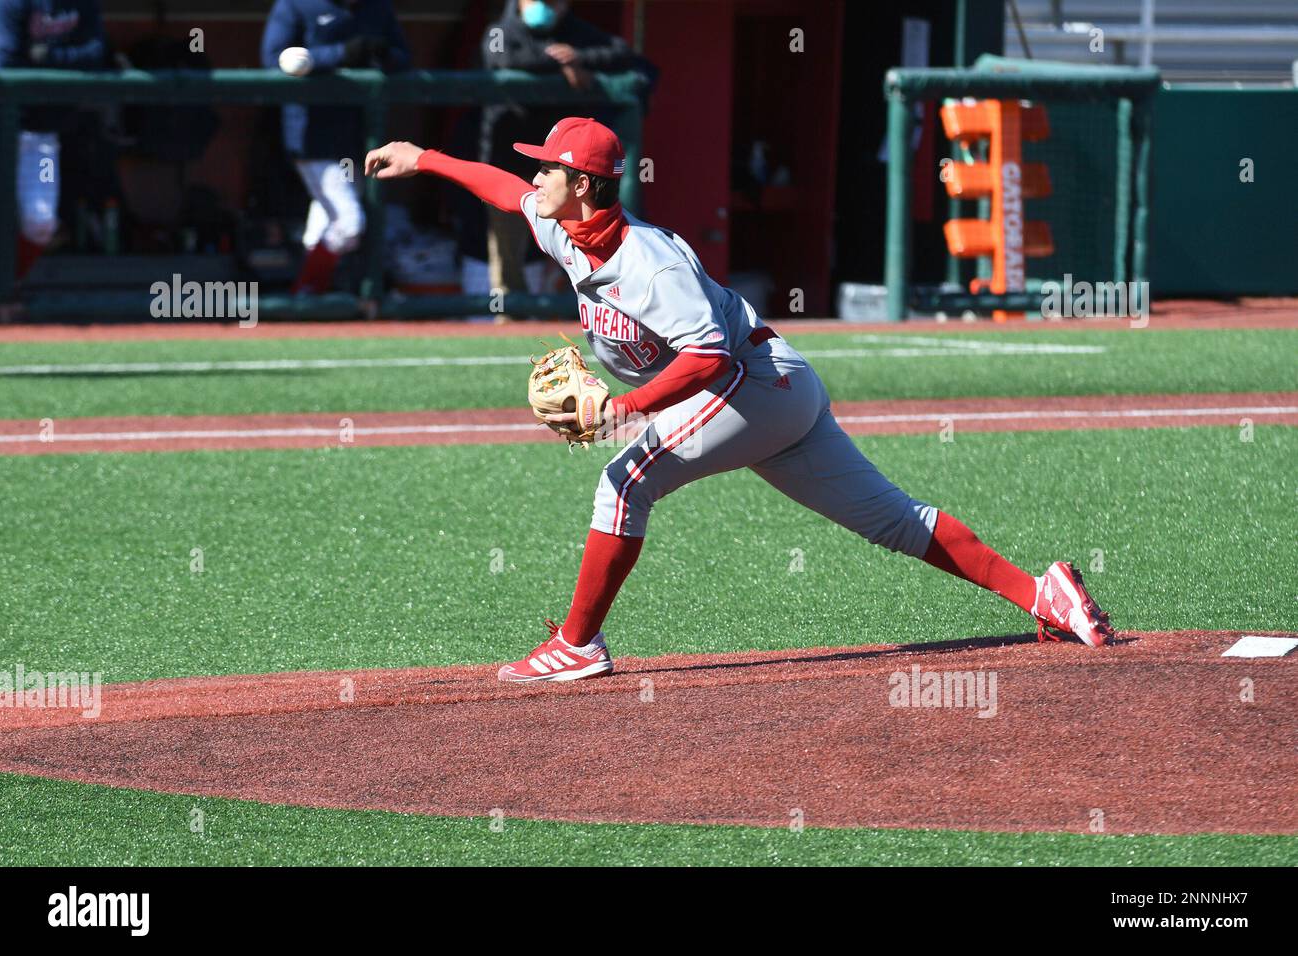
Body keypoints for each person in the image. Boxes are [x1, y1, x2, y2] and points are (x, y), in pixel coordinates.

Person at [364, 118, 1114, 683]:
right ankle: (1042, 595)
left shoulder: (650, 264)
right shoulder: (566, 228)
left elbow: (708, 357)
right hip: (777, 389)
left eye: (549, 171)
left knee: (624, 480)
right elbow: (501, 188)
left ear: (584, 184)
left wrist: (625, 410)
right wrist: (424, 159)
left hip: (748, 387)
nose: (537, 181)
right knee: (891, 521)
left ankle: (578, 645)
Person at [479, 0, 640, 316]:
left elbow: (621, 52)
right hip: (511, 158)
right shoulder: (502, 29)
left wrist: (580, 57)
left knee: (582, 240)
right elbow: (500, 59)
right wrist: (560, 64)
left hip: (565, 167)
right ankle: (509, 319)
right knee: (508, 252)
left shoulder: (572, 30)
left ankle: (596, 312)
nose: (547, 7)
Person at [261, 0, 410, 294]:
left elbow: (403, 58)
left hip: (360, 135)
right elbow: (272, 59)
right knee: (349, 223)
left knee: (326, 223)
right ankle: (303, 291)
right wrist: (341, 54)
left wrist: (380, 53)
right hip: (312, 134)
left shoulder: (376, 7)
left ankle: (310, 299)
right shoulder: (295, 5)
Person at [0, 0, 108, 282]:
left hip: (42, 141)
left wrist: (45, 55)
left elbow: (96, 55)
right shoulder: (13, 3)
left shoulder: (86, 5)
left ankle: (7, 287)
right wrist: (63, 59)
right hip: (4, 130)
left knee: (41, 222)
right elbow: (5, 59)